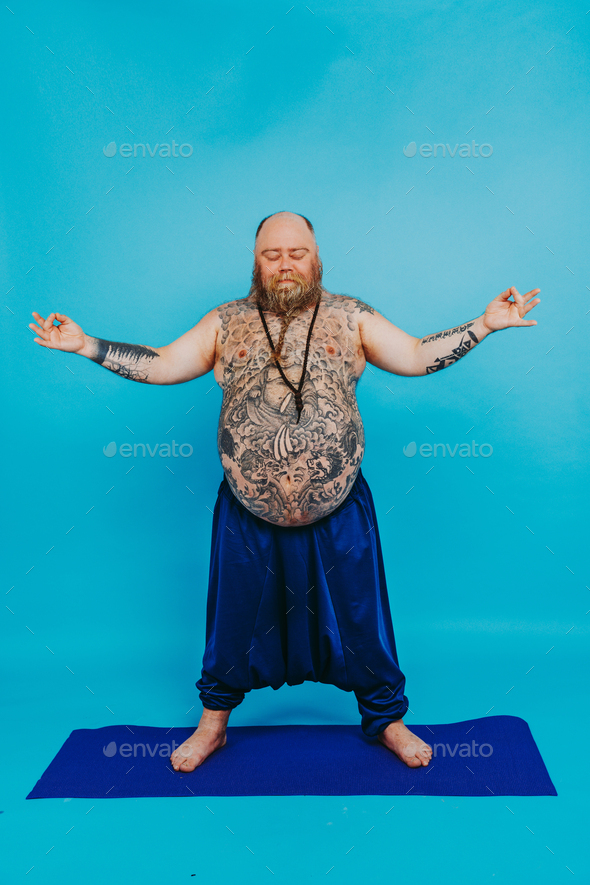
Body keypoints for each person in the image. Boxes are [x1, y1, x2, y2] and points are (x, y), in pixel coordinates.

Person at [30, 211, 540, 772]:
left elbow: (418, 356)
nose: (284, 263)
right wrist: (87, 346)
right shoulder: (227, 322)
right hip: (247, 508)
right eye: (272, 254)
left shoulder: (351, 318)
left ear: (316, 257)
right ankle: (214, 724)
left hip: (339, 505)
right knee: (231, 618)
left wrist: (484, 325)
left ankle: (387, 719)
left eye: (296, 252)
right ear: (257, 262)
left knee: (362, 616)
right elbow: (166, 364)